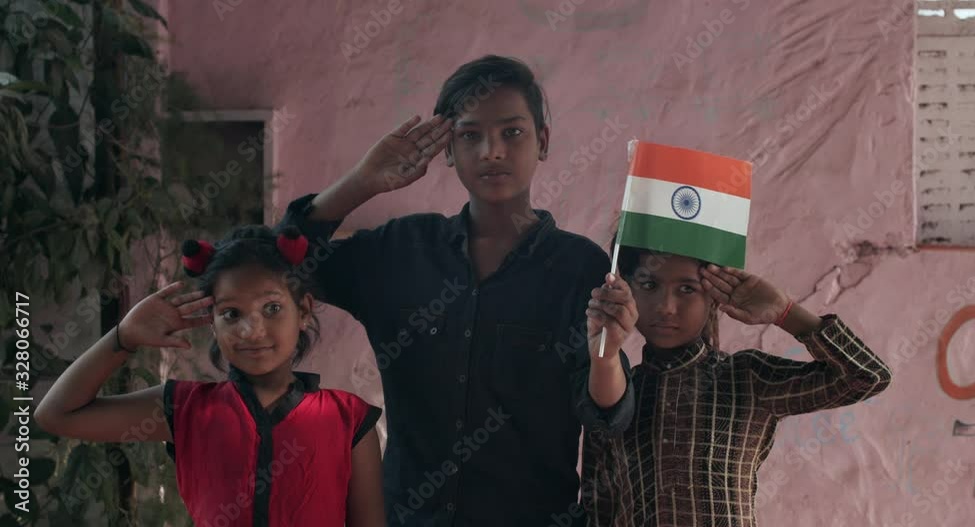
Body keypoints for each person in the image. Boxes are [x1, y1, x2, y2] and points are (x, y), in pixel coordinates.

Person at [279, 55, 635, 526]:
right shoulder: (400, 252)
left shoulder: (579, 268)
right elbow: (284, 264)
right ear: (446, 150)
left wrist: (607, 357)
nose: (492, 150)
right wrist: (362, 183)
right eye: (470, 135)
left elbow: (608, 416)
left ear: (542, 141)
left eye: (512, 132)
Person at [34, 225, 385, 527]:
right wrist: (123, 338)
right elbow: (57, 414)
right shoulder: (185, 409)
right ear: (213, 324)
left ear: (304, 311)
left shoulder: (349, 419)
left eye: (272, 308)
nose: (251, 330)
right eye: (231, 314)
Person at [581, 247, 893, 526]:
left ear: (714, 297)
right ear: (627, 291)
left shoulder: (747, 378)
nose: (666, 306)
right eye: (649, 285)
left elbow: (867, 377)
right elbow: (599, 509)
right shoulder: (613, 395)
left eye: (687, 289)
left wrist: (785, 313)